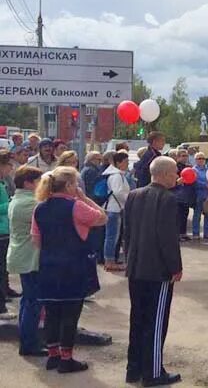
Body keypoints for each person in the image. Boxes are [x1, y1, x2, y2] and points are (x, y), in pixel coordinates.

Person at [32, 166, 108, 373]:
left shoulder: (40, 208)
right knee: (70, 313)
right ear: (68, 185)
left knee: (51, 312)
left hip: (48, 264)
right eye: (75, 183)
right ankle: (66, 359)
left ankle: (53, 355)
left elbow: (36, 240)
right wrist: (84, 198)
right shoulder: (75, 206)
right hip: (74, 265)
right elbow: (102, 217)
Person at [123, 156, 183, 386]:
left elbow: (127, 233)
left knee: (138, 318)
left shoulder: (134, 195)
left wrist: (130, 259)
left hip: (136, 267)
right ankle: (153, 372)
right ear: (165, 174)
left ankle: (134, 367)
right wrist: (175, 267)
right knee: (156, 323)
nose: (177, 176)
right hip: (157, 270)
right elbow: (168, 237)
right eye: (175, 172)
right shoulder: (167, 199)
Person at [6, 166, 44, 356]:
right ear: (28, 183)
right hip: (29, 257)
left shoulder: (21, 199)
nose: (42, 185)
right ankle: (29, 344)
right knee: (33, 303)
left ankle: (28, 341)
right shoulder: (29, 203)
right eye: (39, 181)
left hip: (24, 255)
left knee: (28, 301)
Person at [101, 152, 131, 271]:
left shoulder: (116, 174)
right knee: (112, 236)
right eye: (126, 162)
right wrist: (128, 200)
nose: (127, 164)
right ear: (118, 163)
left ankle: (110, 259)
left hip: (115, 208)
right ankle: (109, 261)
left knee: (113, 236)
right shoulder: (116, 176)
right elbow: (118, 192)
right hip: (114, 209)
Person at [192, 152, 208, 240]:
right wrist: (206, 185)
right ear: (195, 160)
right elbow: (195, 181)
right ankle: (195, 233)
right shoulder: (194, 170)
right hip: (199, 195)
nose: (201, 160)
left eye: (203, 158)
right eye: (199, 158)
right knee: (197, 215)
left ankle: (207, 233)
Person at [0, 151, 12, 310]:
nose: (11, 168)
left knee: (4, 268)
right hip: (1, 231)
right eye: (9, 164)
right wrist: (11, 204)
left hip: (5, 229)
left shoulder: (4, 183)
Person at [174, 150, 194, 241]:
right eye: (183, 155)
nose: (185, 157)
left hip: (186, 193)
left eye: (186, 156)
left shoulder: (188, 167)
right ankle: (177, 234)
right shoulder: (175, 167)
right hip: (177, 194)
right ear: (178, 157)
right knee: (178, 215)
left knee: (185, 213)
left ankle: (183, 233)